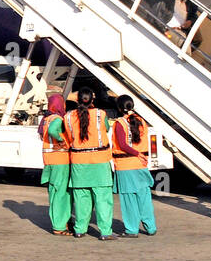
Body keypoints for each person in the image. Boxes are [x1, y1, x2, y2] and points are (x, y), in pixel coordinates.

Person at [64, 88, 115, 239]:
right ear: (92, 100)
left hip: (79, 162)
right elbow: (106, 128)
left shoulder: (68, 117)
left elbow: (67, 135)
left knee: (81, 198)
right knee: (103, 199)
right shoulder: (101, 114)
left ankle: (80, 229)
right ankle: (105, 232)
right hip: (100, 161)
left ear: (77, 100)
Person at [112, 96, 157, 237]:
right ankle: (151, 227)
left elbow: (123, 145)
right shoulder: (141, 121)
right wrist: (140, 155)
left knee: (129, 199)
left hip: (126, 166)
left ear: (119, 108)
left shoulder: (120, 123)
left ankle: (132, 229)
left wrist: (136, 153)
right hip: (140, 165)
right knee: (144, 197)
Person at [38, 93, 74, 235]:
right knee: (62, 193)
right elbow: (54, 131)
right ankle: (60, 226)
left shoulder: (46, 119)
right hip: (60, 159)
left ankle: (57, 222)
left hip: (49, 160)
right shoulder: (58, 119)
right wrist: (61, 141)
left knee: (53, 193)